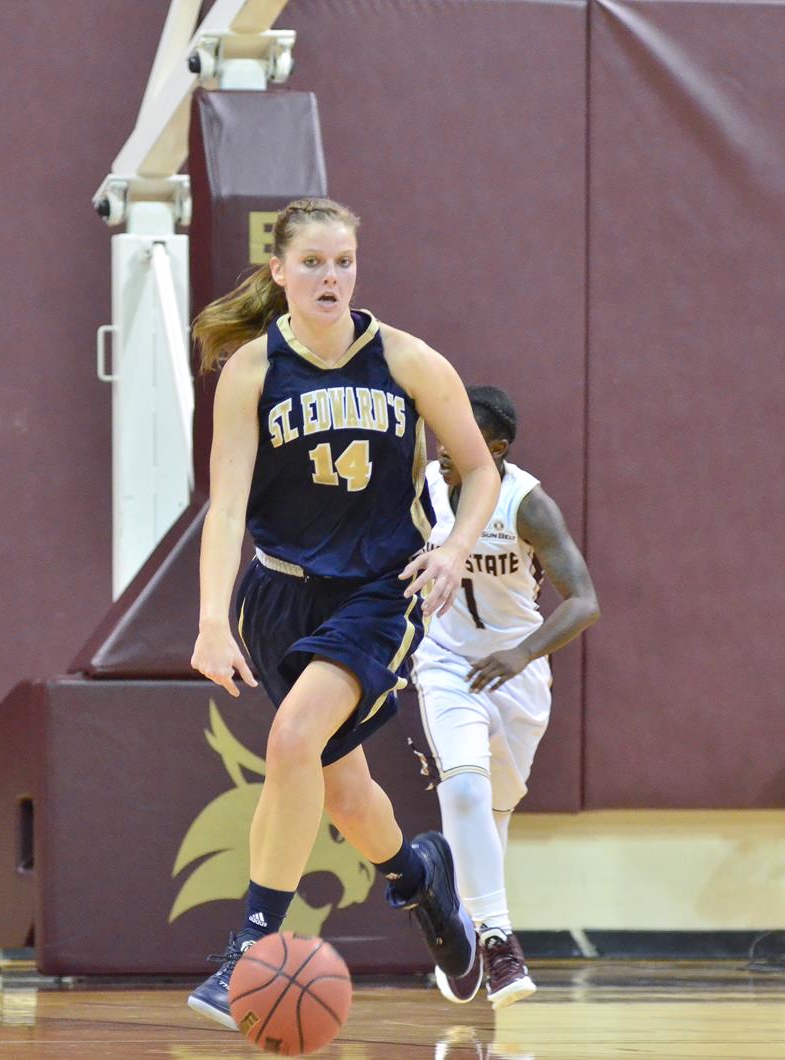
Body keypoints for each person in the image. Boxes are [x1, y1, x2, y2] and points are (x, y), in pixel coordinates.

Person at [185, 198, 500, 1028]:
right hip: (279, 593)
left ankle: (249, 949)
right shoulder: (253, 370)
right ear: (280, 273)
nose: (333, 276)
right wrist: (212, 619)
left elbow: (478, 470)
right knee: (346, 798)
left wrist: (455, 547)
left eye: (346, 261)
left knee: (290, 739)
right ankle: (421, 880)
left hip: (378, 593)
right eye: (316, 263)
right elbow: (225, 509)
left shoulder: (406, 359)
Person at [412, 385, 599, 1009]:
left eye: (461, 435)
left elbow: (584, 602)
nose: (445, 447)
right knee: (462, 786)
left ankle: (462, 929)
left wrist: (522, 653)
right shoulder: (430, 487)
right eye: (443, 432)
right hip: (444, 662)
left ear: (496, 447)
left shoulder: (528, 502)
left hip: (516, 670)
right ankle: (498, 942)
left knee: (491, 816)